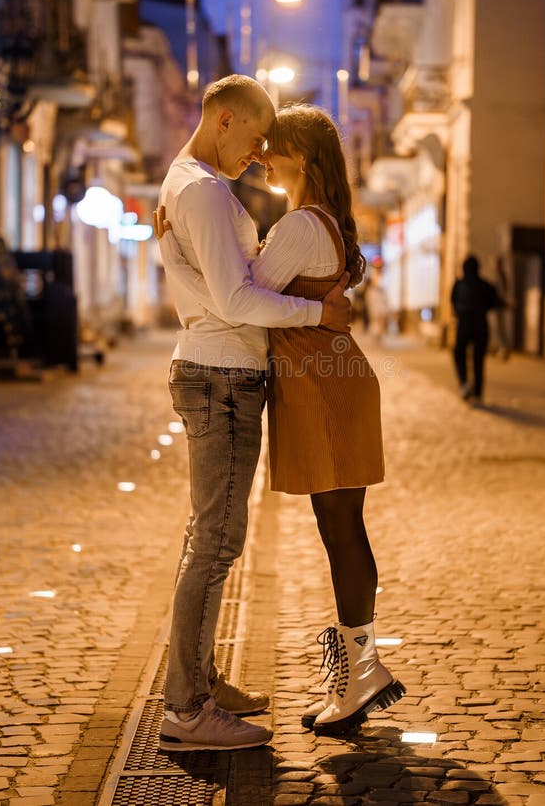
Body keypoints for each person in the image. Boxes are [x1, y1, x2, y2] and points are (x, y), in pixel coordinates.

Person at [157, 103, 406, 738]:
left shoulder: (298, 225)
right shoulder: (320, 221)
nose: (263, 154)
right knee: (343, 527)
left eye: (276, 146)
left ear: (305, 159)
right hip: (331, 377)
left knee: (341, 530)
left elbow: (240, 301)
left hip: (323, 385)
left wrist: (174, 254)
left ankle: (360, 674)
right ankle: (361, 668)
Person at [451, 255, 503, 403]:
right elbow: (494, 302)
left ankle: (464, 383)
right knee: (478, 359)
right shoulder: (485, 285)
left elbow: (453, 301)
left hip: (464, 324)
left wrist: (460, 312)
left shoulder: (459, 284)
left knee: (458, 353)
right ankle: (478, 393)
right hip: (481, 324)